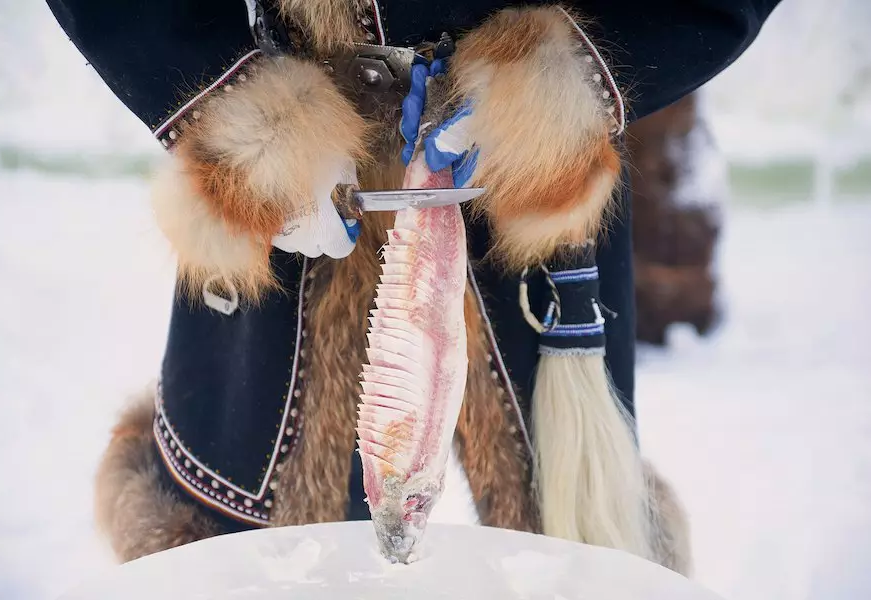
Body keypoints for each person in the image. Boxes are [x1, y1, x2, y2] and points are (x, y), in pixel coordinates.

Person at [46, 0, 782, 576]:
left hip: (524, 169)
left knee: (575, 551)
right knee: (233, 553)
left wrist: (580, 83)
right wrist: (222, 98)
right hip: (287, 169)